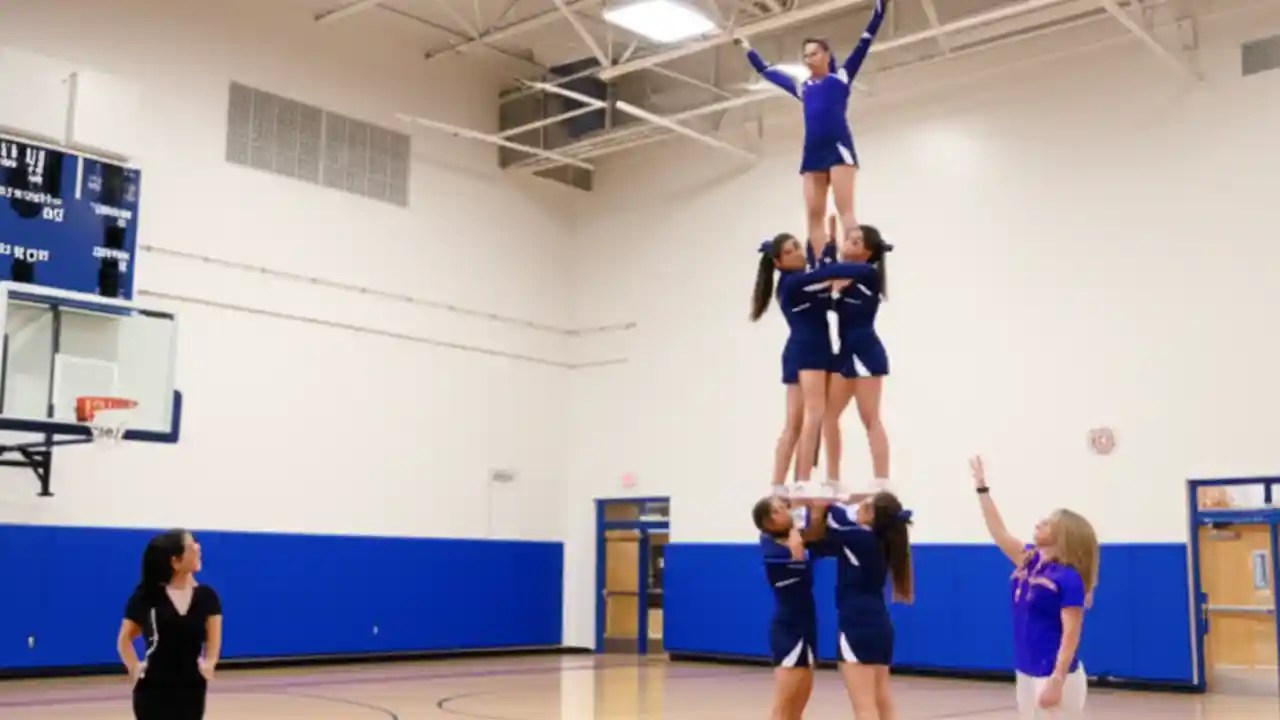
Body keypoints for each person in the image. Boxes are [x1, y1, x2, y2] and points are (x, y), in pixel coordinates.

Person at [735, 0, 889, 262]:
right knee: (813, 215)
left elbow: (865, 39)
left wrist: (880, 7)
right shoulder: (802, 88)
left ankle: (854, 261)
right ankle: (821, 266)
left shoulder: (840, 78)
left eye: (814, 53)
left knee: (845, 210)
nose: (809, 59)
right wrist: (746, 47)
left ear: (827, 55)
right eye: (805, 56)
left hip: (839, 147)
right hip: (813, 152)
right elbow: (767, 71)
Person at [968, 456, 1098, 719]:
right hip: (1025, 669)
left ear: (1063, 534)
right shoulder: (1028, 559)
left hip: (1053, 673)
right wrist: (982, 489)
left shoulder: (1067, 578)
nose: (1039, 522)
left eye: (1048, 522)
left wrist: (1057, 679)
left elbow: (1071, 634)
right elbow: (998, 531)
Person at [752, 233, 881, 497]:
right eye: (790, 252)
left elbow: (825, 278)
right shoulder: (795, 282)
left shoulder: (800, 280)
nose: (798, 253)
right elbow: (829, 273)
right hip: (808, 351)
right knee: (814, 414)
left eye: (798, 247)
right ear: (777, 262)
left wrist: (828, 249)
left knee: (795, 423)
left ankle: (778, 484)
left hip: (808, 351)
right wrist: (866, 267)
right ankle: (802, 480)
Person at [817, 491, 913, 720]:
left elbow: (832, 510)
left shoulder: (858, 538)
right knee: (882, 700)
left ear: (871, 514)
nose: (857, 508)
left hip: (856, 625)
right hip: (880, 626)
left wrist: (838, 494)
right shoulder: (883, 542)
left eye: (863, 506)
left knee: (864, 707)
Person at [117, 529, 223, 720]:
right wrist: (134, 668)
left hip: (192, 689)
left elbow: (214, 640)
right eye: (191, 546)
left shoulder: (208, 597)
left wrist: (209, 663)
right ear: (175, 561)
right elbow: (124, 639)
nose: (198, 548)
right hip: (153, 689)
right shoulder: (146, 597)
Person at [823, 223, 894, 493]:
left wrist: (828, 249)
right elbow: (825, 282)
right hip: (846, 352)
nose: (848, 243)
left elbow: (827, 272)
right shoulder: (846, 275)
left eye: (855, 242)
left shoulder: (865, 272)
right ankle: (832, 479)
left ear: (868, 252)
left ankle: (882, 481)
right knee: (828, 416)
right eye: (847, 239)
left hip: (865, 351)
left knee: (870, 418)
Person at [753, 496, 832, 720]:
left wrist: (811, 503)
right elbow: (799, 554)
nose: (787, 511)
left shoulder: (794, 539)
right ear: (769, 521)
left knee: (799, 705)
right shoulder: (773, 552)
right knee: (783, 708)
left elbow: (813, 533)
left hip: (807, 626)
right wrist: (800, 529)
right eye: (779, 510)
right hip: (789, 630)